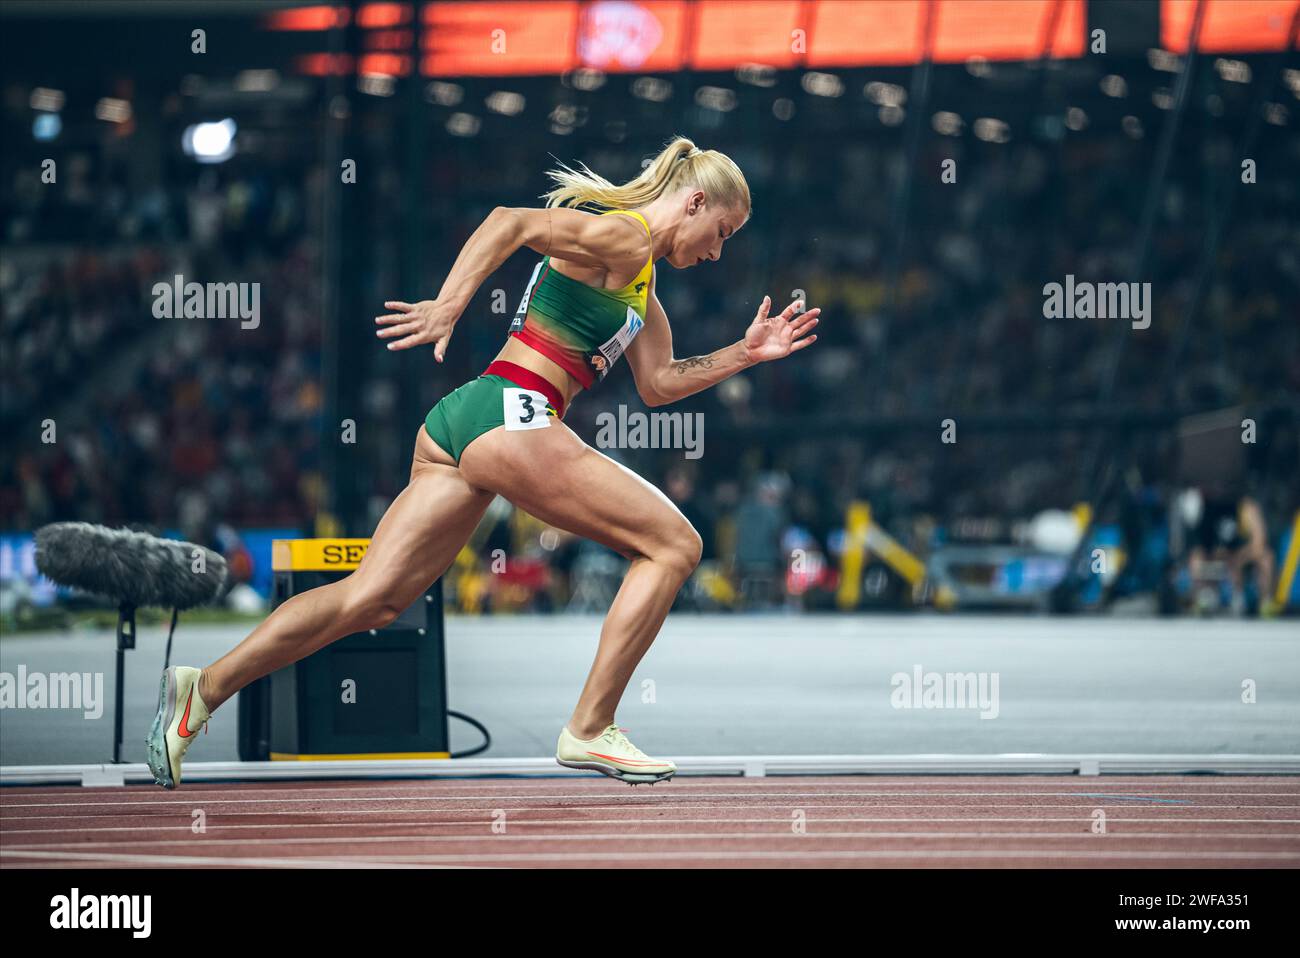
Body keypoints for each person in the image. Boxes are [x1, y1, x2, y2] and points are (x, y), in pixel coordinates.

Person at [147, 135, 820, 788]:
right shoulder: (627, 238)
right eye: (724, 232)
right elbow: (509, 223)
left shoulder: (643, 283)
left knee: (373, 600)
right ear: (696, 203)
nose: (717, 253)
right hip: (513, 414)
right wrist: (448, 306)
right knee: (674, 545)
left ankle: (201, 688)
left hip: (465, 422)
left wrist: (744, 354)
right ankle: (591, 726)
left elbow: (659, 384)